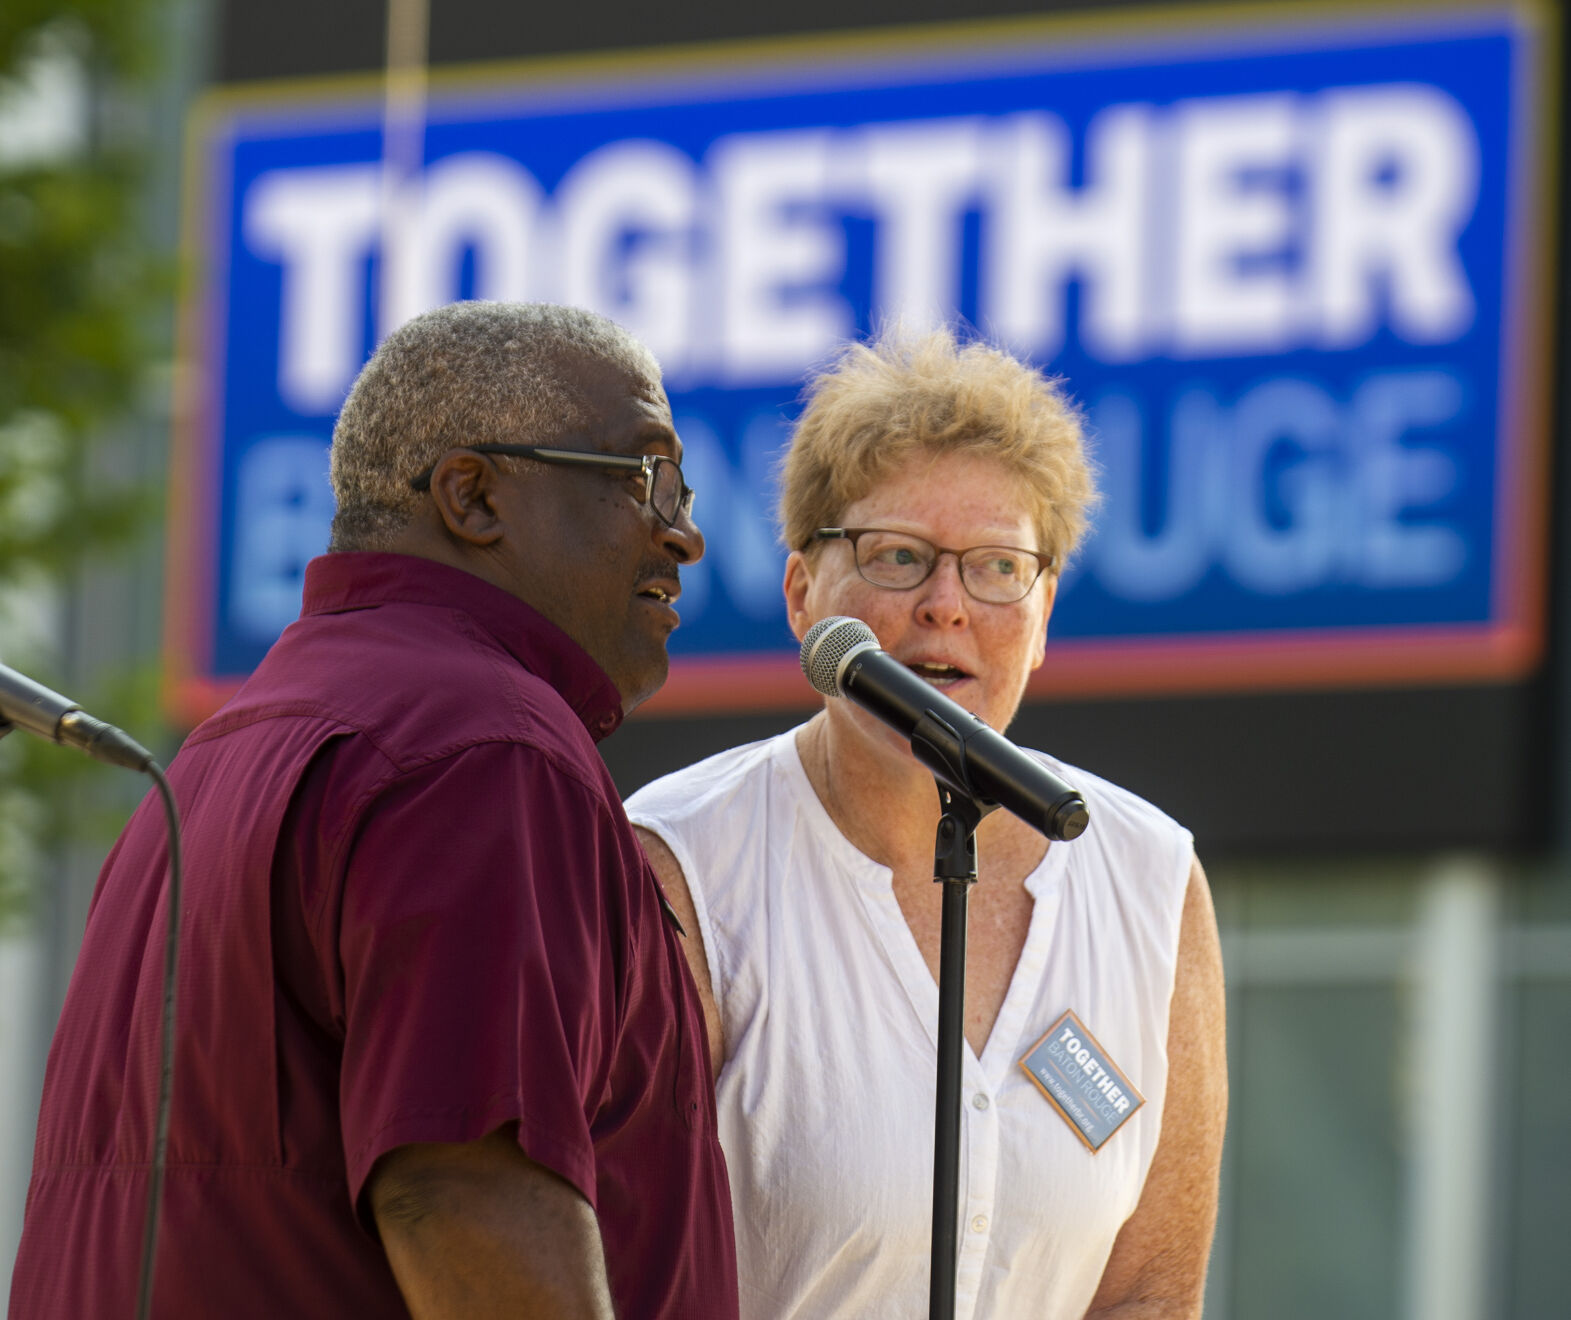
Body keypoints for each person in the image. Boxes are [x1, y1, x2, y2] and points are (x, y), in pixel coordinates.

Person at [9, 302, 738, 1319]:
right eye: (644, 476)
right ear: (473, 497)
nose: (685, 532)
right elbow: (461, 1193)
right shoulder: (486, 749)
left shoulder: (218, 755)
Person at [627, 327, 1226, 1319]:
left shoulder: (1149, 877)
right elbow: (633, 1277)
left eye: (995, 567)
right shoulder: (682, 862)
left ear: (1041, 614)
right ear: (800, 598)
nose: (945, 606)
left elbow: (1150, 1293)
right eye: (896, 556)